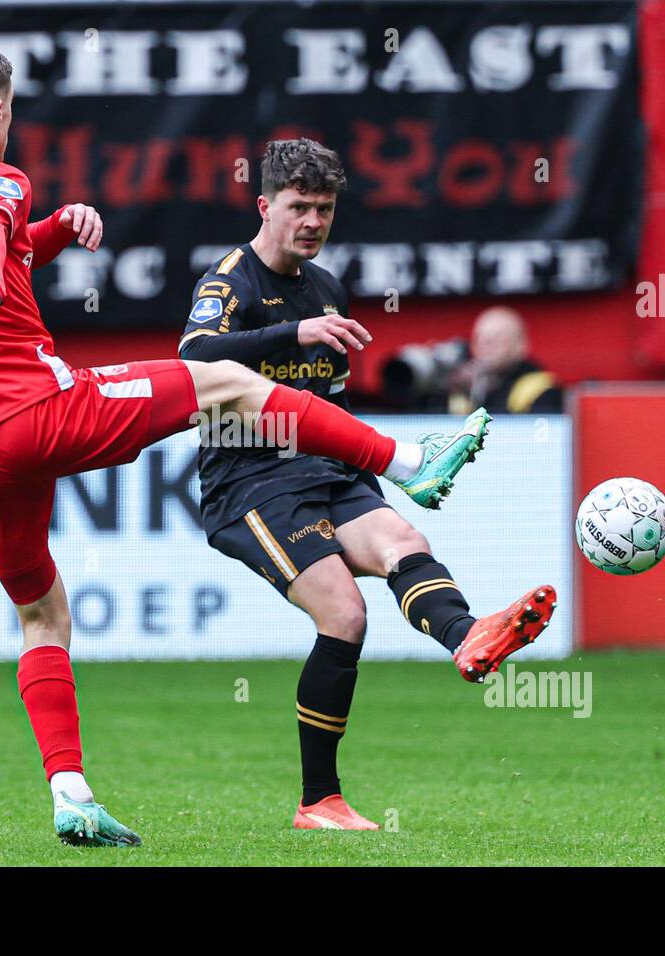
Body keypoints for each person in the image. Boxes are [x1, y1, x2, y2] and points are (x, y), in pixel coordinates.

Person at [0, 41, 500, 848]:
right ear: (0, 110)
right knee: (226, 383)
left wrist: (52, 234)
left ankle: (70, 792)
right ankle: (409, 464)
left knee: (41, 614)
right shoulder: (0, 179)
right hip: (37, 410)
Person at [179, 138, 557, 831]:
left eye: (324, 209)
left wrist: (367, 459)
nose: (313, 223)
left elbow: (333, 400)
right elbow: (194, 357)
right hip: (250, 480)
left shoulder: (326, 289)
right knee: (346, 616)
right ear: (265, 206)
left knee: (403, 539)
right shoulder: (229, 282)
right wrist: (293, 331)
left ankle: (469, 636)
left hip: (323, 468)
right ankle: (317, 800)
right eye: (298, 208)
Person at [449, 306, 563, 415]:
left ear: (520, 345)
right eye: (479, 337)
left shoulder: (543, 389)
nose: (486, 344)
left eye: (497, 337)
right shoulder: (463, 387)